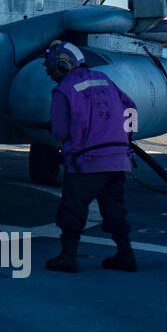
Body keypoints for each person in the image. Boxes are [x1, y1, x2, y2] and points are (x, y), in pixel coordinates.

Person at [43, 40, 139, 273]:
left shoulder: (64, 89)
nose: (49, 74)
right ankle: (125, 253)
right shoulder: (105, 80)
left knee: (73, 209)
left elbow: (60, 132)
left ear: (64, 65)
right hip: (118, 159)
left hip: (87, 162)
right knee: (114, 206)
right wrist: (127, 136)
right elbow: (131, 108)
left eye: (51, 68)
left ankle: (68, 256)